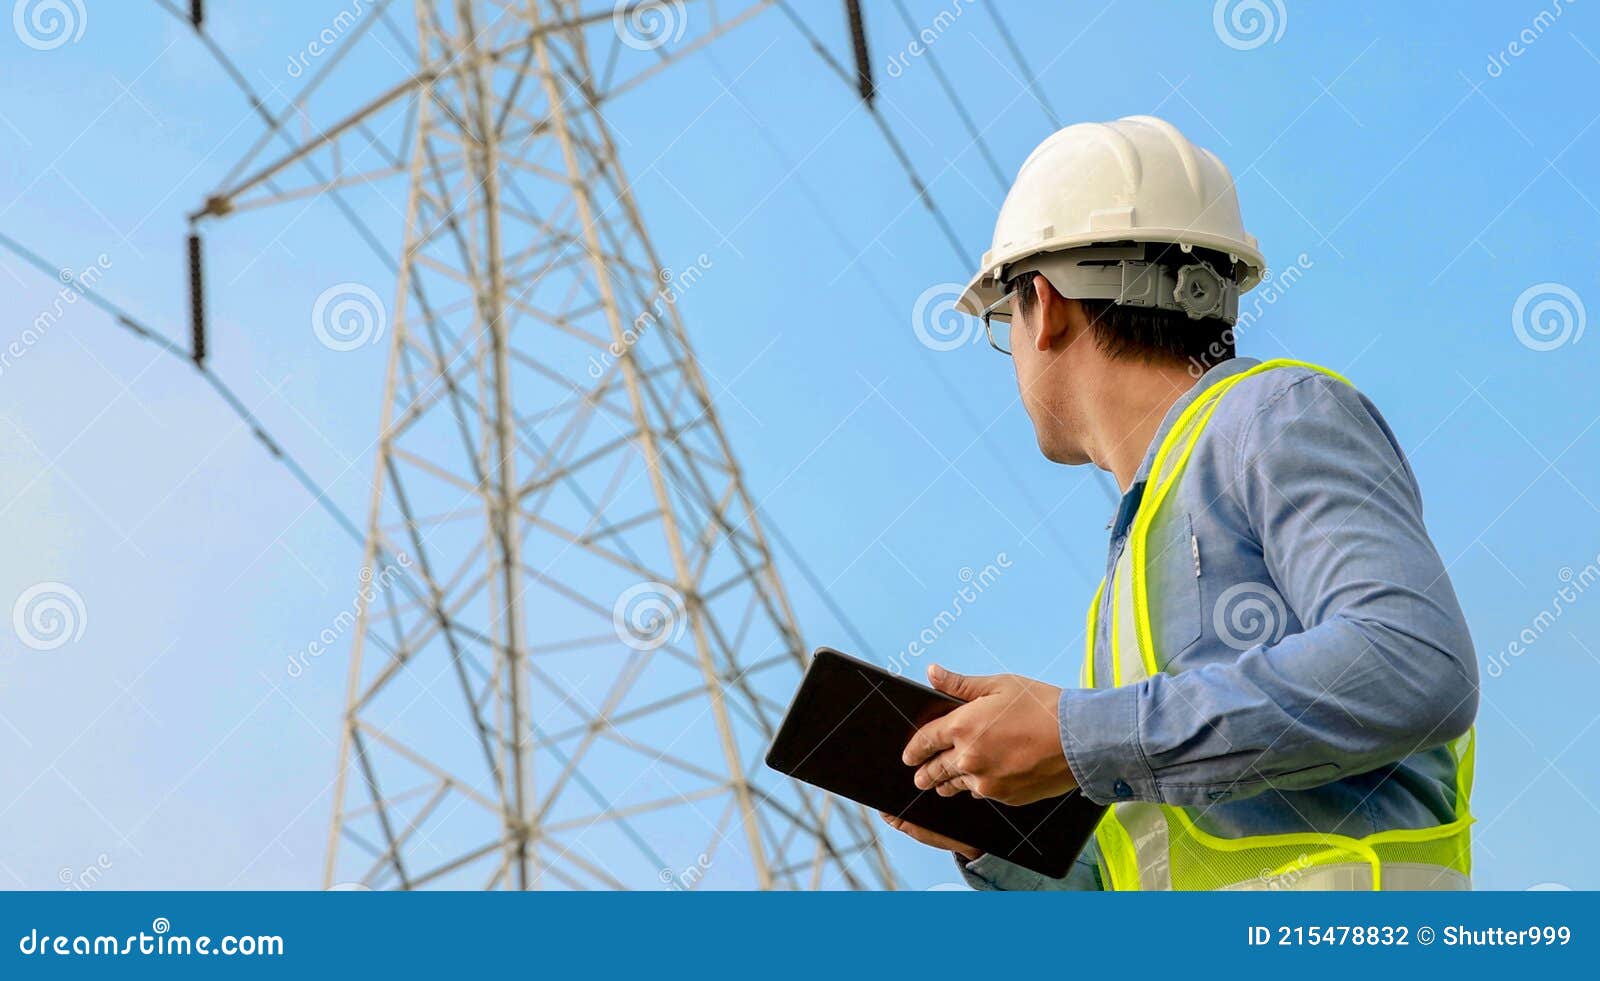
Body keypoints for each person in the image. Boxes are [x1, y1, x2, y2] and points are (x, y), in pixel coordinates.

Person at [879, 115, 1478, 891]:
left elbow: (1412, 660)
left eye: (1005, 324)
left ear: (1045, 303)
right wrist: (994, 836)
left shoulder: (1275, 414)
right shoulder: (1135, 559)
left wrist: (1073, 734)